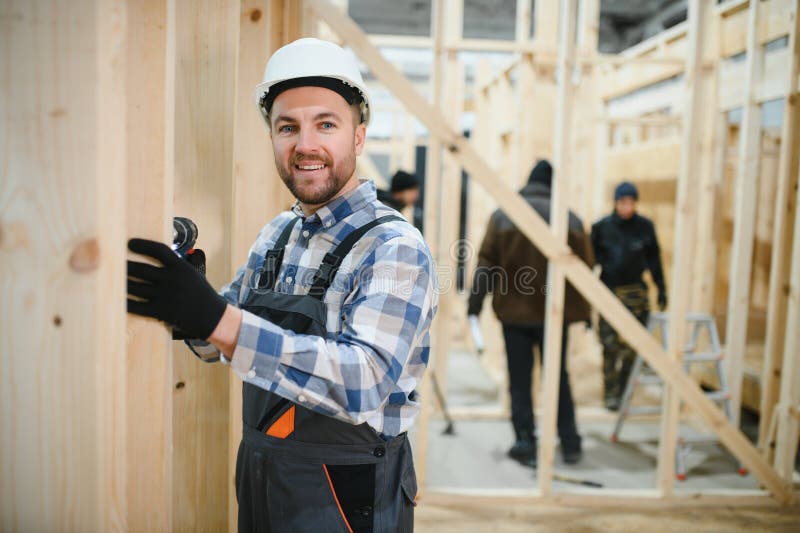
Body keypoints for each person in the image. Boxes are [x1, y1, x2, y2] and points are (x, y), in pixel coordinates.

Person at [126, 38, 438, 532]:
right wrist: (187, 303)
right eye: (287, 127)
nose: (305, 145)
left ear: (359, 135)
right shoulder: (278, 234)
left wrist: (219, 319)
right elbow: (218, 345)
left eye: (326, 124)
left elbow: (364, 383)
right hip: (264, 472)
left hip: (347, 490)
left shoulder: (393, 246)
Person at [467, 160, 592, 468]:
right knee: (558, 378)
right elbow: (585, 269)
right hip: (554, 315)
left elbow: (485, 264)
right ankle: (571, 443)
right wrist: (585, 312)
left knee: (520, 381)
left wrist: (475, 305)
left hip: (514, 314)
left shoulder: (503, 216)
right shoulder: (570, 219)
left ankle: (526, 444)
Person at [591, 181, 666, 411]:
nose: (627, 207)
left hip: (636, 295)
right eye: (623, 202)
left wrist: (662, 289)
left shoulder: (644, 228)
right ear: (616, 203)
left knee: (634, 346)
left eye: (631, 202)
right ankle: (610, 393)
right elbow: (588, 262)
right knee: (610, 345)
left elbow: (654, 261)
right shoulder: (601, 228)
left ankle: (623, 390)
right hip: (609, 292)